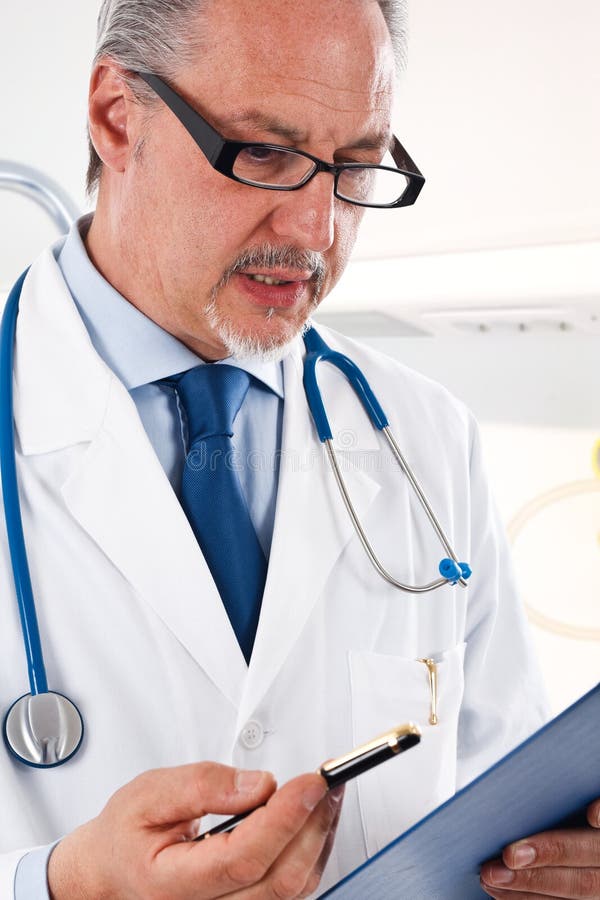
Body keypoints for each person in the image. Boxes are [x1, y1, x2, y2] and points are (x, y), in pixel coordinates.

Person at [0, 1, 598, 897]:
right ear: (117, 117)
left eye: (357, 164)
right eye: (266, 155)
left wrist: (561, 862)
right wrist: (60, 885)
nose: (317, 230)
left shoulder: (426, 436)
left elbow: (503, 785)